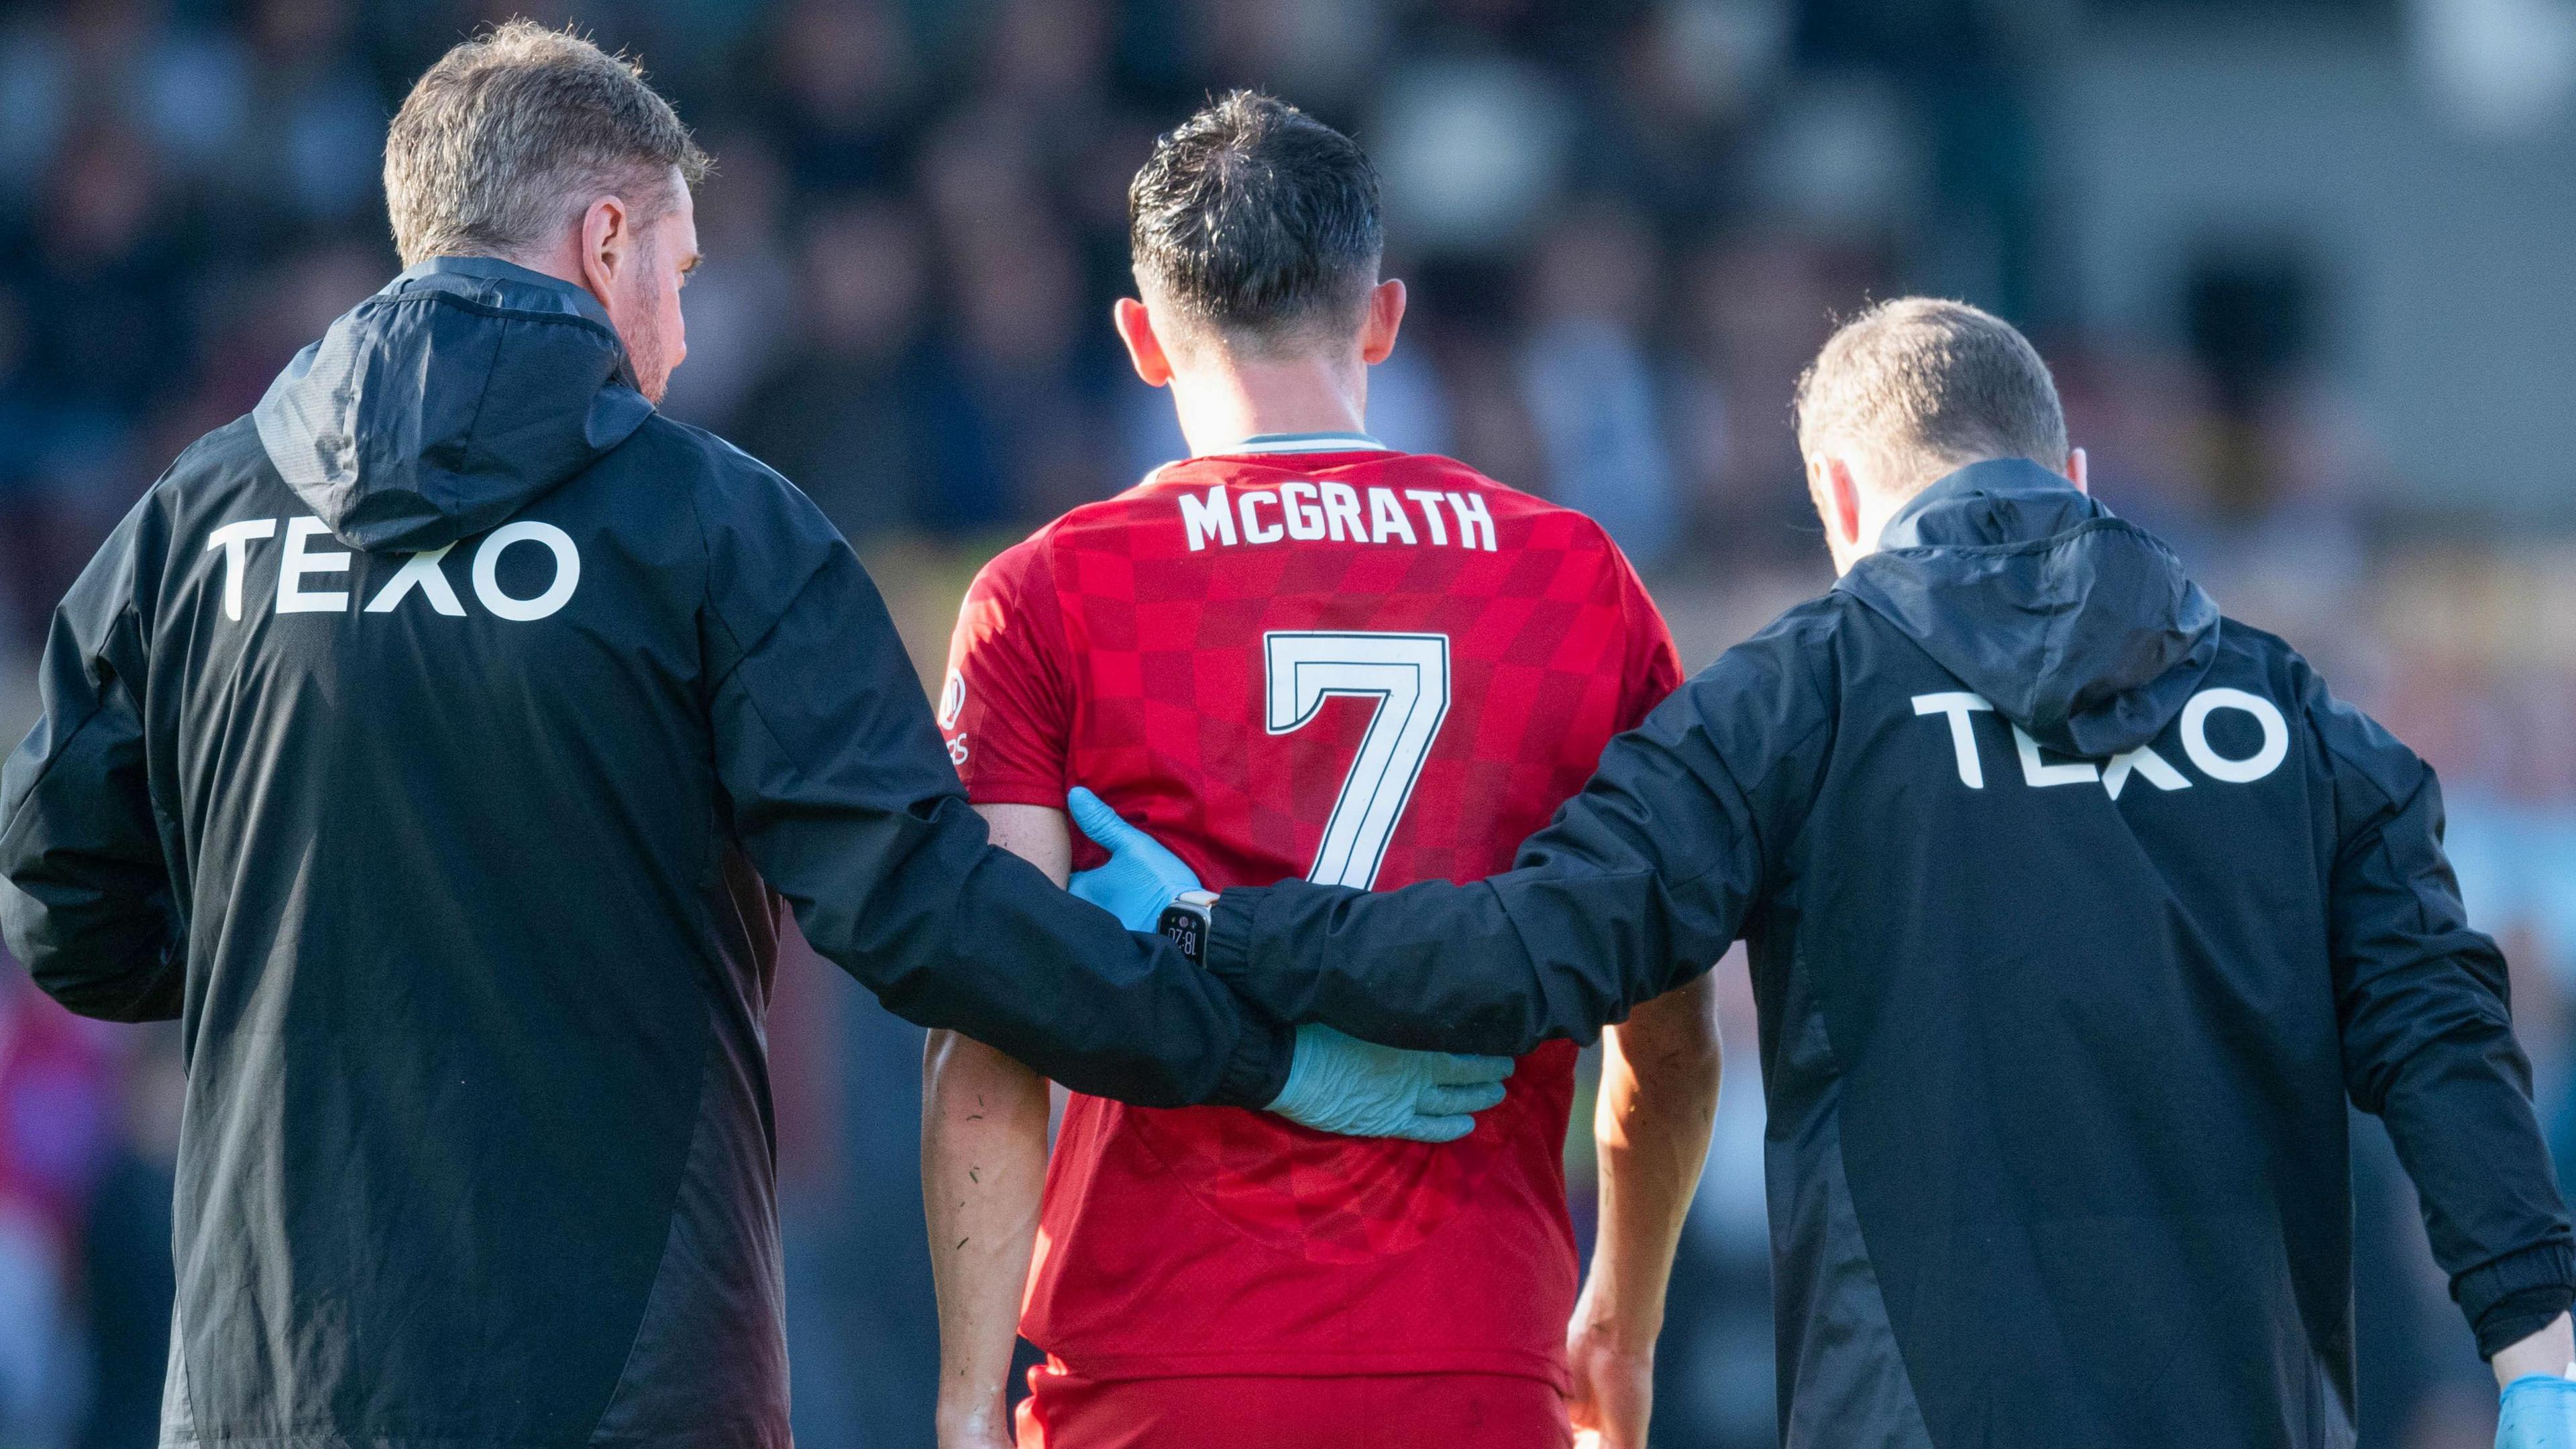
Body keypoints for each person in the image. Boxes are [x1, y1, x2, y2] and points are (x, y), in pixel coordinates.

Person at [0, 27, 1508, 1449]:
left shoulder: (194, 521)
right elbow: (927, 919)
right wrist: (1254, 1046)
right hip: (627, 1377)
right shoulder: (712, 529)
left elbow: (63, 910)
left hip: (269, 1377)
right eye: (678, 268)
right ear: (605, 241)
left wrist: (304, 942)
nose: (674, 329)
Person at [1073, 298, 2576, 1448]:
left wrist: (1218, 929)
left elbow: (1523, 959)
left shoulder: (1798, 702)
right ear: (2074, 473)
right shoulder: (2293, 721)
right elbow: (2449, 1038)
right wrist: (2540, 1364)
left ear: (1839, 505)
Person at [916, 93, 1717, 1449]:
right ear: (1383, 319)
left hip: (1155, 1366)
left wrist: (962, 1397)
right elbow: (1673, 1032)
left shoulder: (1050, 594)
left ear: (1142, 343)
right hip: (1478, 1355)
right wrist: (1618, 1324)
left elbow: (995, 1025)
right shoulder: (1574, 581)